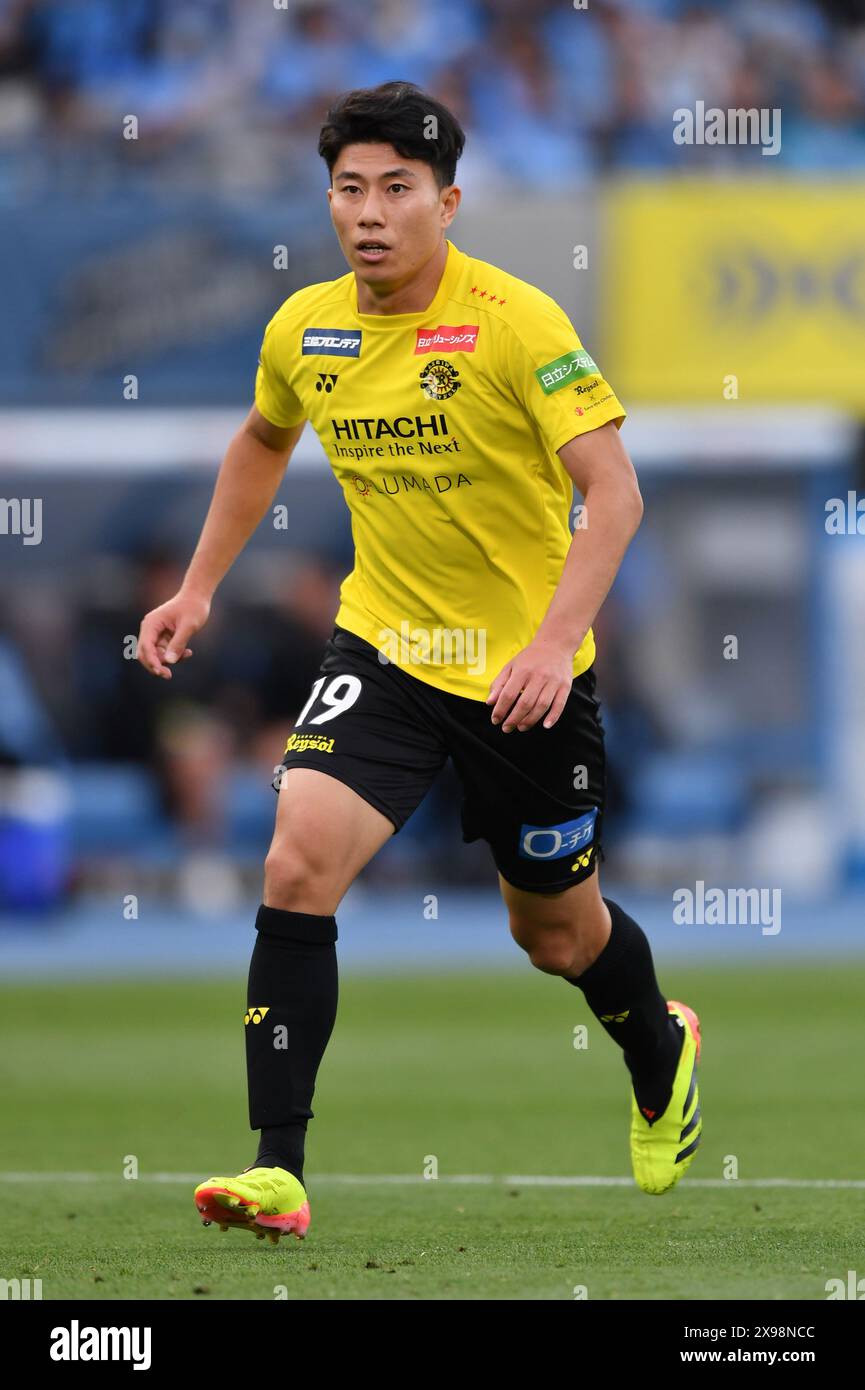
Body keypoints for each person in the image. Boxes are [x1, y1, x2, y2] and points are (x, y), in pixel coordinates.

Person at [136, 80, 701, 1246]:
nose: (370, 212)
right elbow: (260, 437)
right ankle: (279, 1170)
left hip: (522, 680)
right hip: (386, 654)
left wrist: (552, 645)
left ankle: (659, 1043)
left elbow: (615, 494)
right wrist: (197, 586)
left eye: (397, 189)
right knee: (295, 863)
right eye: (350, 188)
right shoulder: (306, 328)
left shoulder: (518, 323)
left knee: (555, 937)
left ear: (447, 201)